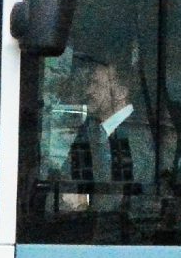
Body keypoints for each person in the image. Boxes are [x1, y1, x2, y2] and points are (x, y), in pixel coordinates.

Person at [61, 54, 158, 240]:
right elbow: (67, 178)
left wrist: (85, 200)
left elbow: (123, 200)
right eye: (89, 83)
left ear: (121, 91)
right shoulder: (92, 133)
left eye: (96, 84)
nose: (89, 90)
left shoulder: (138, 137)